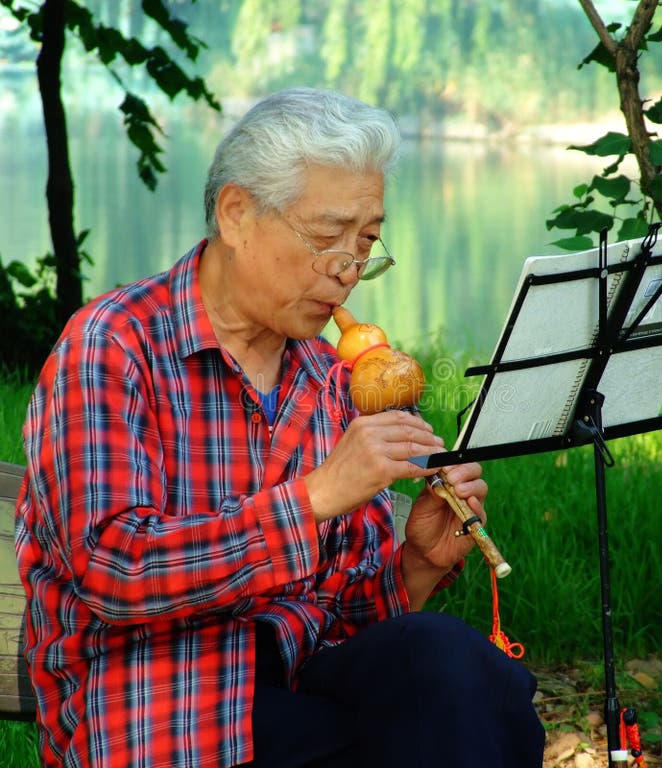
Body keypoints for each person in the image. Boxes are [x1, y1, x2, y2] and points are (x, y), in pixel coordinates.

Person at [16, 87, 544, 768]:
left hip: (299, 694)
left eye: (366, 245)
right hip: (161, 710)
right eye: (327, 240)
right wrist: (314, 498)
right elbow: (115, 569)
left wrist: (416, 563)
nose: (348, 273)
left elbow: (354, 621)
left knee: (445, 662)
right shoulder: (113, 346)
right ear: (237, 214)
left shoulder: (332, 381)